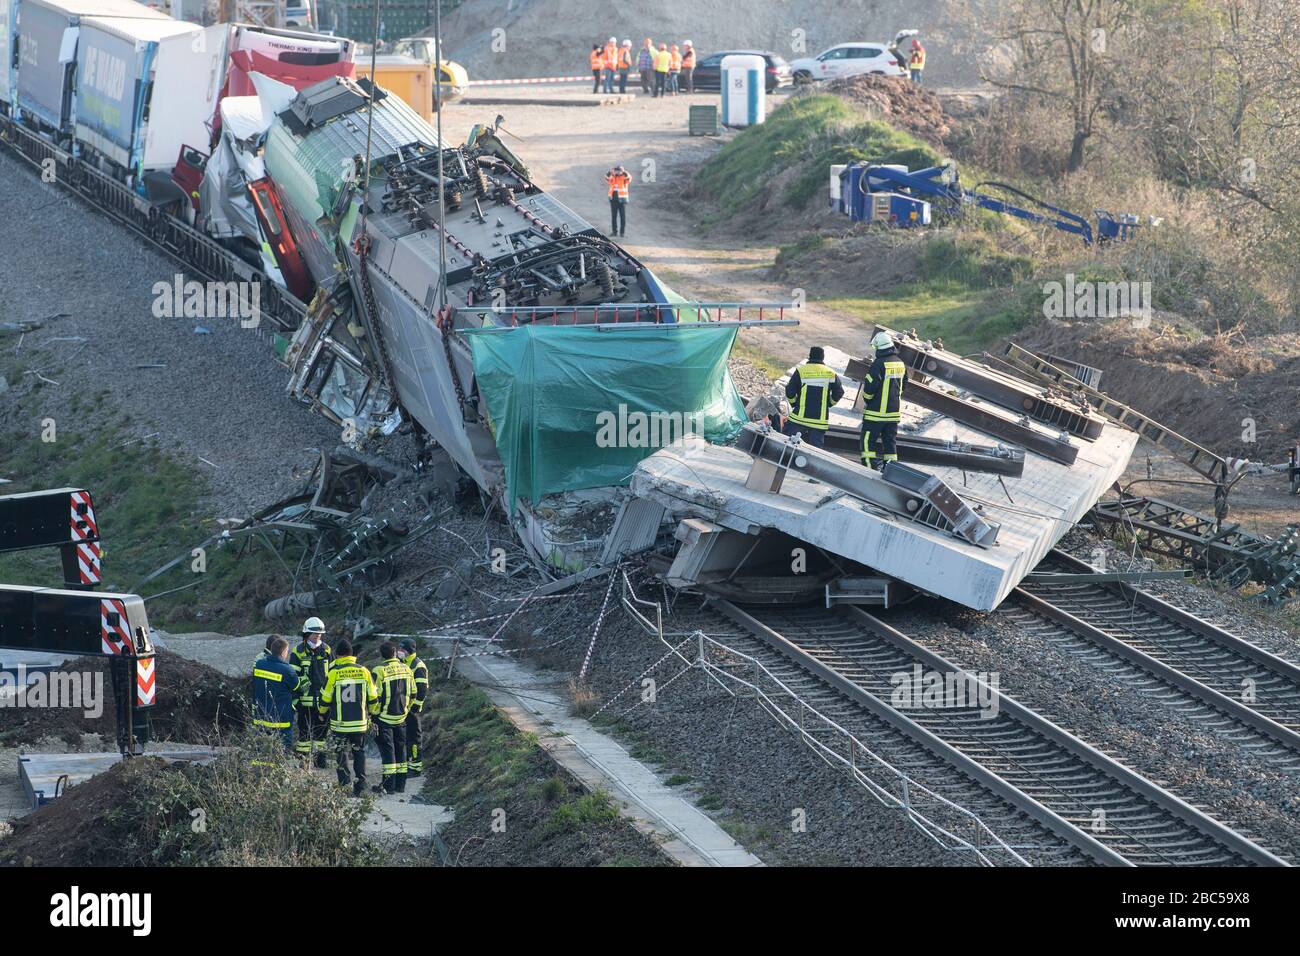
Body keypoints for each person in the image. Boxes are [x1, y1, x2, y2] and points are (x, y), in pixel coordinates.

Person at [318, 639, 378, 797]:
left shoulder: (334, 672)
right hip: (359, 723)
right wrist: (371, 713)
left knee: (341, 753)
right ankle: (361, 786)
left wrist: (321, 711)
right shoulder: (364, 671)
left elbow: (325, 697)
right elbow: (373, 696)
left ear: (338, 655)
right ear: (352, 655)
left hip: (340, 724)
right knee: (359, 753)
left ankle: (344, 786)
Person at [370, 642, 415, 794]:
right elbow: (413, 692)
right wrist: (406, 709)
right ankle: (401, 786)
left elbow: (374, 696)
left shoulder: (379, 670)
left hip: (384, 719)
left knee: (388, 753)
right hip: (401, 717)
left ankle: (389, 787)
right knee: (401, 750)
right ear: (395, 653)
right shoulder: (407, 668)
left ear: (381, 654)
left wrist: (374, 714)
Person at [291, 617, 333, 768]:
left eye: (320, 634)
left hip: (323, 702)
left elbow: (333, 674)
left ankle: (320, 762)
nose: (317, 637)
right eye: (314, 634)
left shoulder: (327, 650)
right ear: (306, 634)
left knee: (321, 734)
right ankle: (304, 763)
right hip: (305, 702)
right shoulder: (298, 652)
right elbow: (293, 677)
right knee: (304, 735)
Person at [861, 331, 907, 470]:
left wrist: (868, 401)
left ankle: (868, 470)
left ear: (879, 348)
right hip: (893, 414)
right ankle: (890, 470)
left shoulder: (878, 364)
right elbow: (903, 385)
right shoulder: (900, 363)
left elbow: (869, 389)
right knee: (890, 443)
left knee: (867, 443)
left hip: (875, 414)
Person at [783, 346, 844, 448]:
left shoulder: (801, 371)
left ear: (810, 356)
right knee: (815, 451)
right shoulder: (830, 373)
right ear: (822, 357)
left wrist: (794, 403)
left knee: (786, 443)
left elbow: (790, 391)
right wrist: (829, 403)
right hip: (819, 422)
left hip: (799, 418)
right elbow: (839, 392)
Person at [251, 636, 301, 753]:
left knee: (261, 749)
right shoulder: (287, 670)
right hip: (281, 717)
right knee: (282, 749)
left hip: (261, 715)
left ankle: (260, 770)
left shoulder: (259, 664)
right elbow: (297, 687)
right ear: (284, 652)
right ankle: (281, 768)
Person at [397, 639, 429, 777]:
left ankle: (415, 768)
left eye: (402, 650)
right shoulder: (404, 663)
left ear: (408, 650)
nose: (399, 652)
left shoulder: (418, 665)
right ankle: (409, 764)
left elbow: (422, 690)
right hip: (404, 707)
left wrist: (415, 708)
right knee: (407, 738)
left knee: (414, 739)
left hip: (412, 710)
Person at [605, 164, 630, 236]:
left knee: (622, 217)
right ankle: (614, 232)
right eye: (616, 170)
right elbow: (606, 178)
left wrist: (623, 172)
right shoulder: (612, 177)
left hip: (622, 201)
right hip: (613, 201)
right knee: (614, 217)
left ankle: (622, 233)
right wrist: (610, 172)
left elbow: (629, 177)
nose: (617, 172)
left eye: (618, 171)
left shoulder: (624, 178)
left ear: (621, 171)